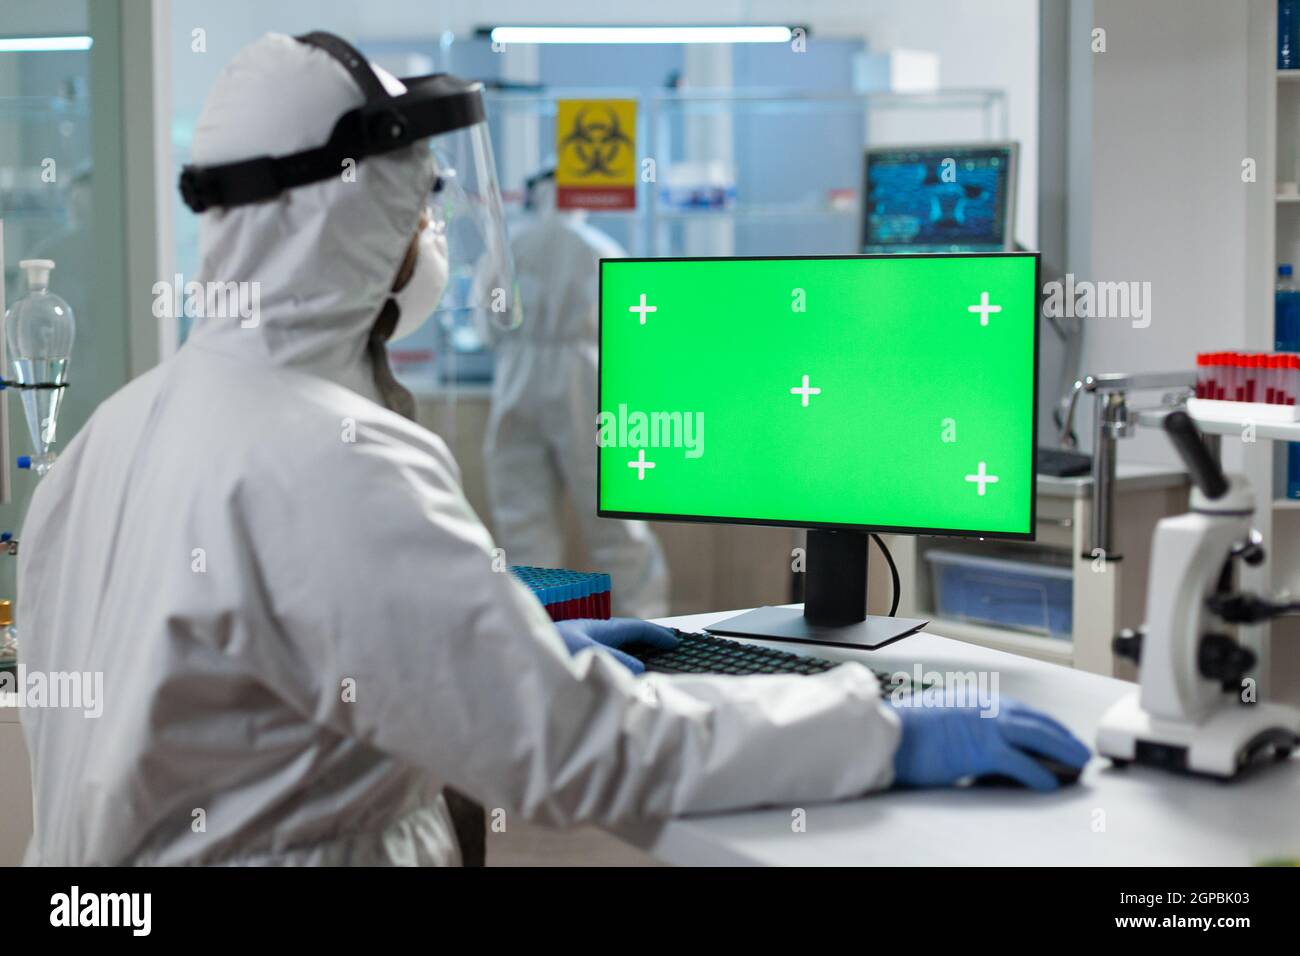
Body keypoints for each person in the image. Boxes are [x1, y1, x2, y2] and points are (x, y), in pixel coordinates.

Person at [17, 32, 1088, 867]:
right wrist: (874, 732)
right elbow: (575, 751)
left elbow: (254, 670)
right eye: (419, 201)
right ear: (352, 211)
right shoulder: (336, 458)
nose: (429, 234)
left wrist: (494, 641)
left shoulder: (117, 429)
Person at [484, 170, 668, 618]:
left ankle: (536, 637)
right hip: (585, 376)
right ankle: (647, 625)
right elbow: (631, 325)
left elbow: (486, 323)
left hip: (516, 375)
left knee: (523, 524)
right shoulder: (599, 248)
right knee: (614, 519)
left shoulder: (509, 248)